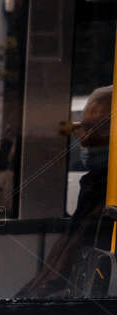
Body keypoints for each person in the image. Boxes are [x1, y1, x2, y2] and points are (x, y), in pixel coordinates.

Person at [21, 86, 111, 298]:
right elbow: (57, 268)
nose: (86, 140)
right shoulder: (93, 186)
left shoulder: (105, 194)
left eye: (98, 129)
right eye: (84, 128)